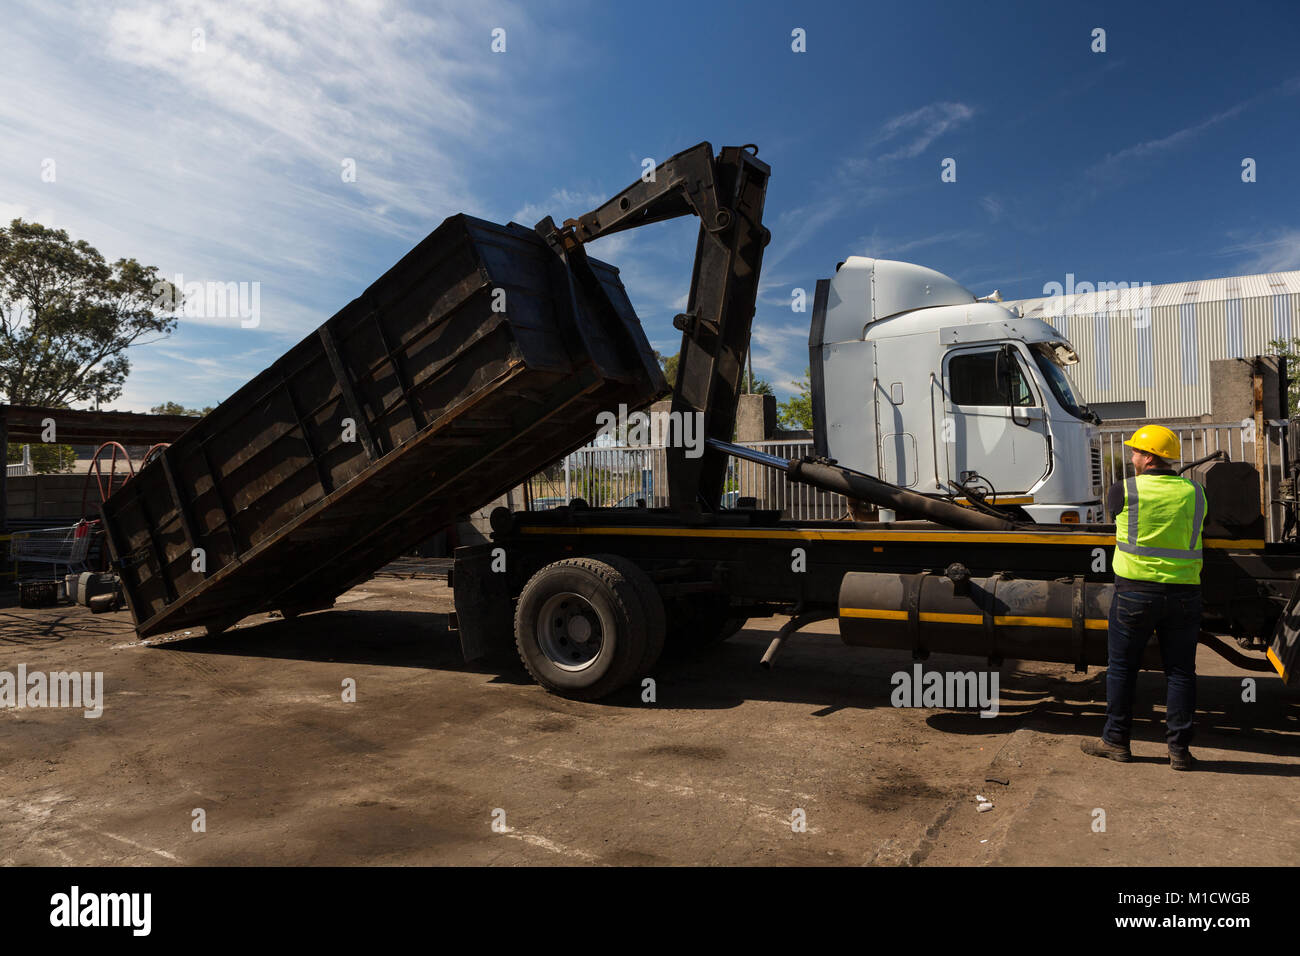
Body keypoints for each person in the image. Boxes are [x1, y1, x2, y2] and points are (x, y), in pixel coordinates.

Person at [1081, 424, 1206, 771]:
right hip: (1184, 593)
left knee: (1123, 668)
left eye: (1136, 450)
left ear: (1149, 458)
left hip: (1135, 593)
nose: (1132, 456)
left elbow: (1114, 517)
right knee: (1181, 672)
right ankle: (1179, 751)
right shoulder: (1196, 492)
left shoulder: (1123, 490)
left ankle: (1116, 741)